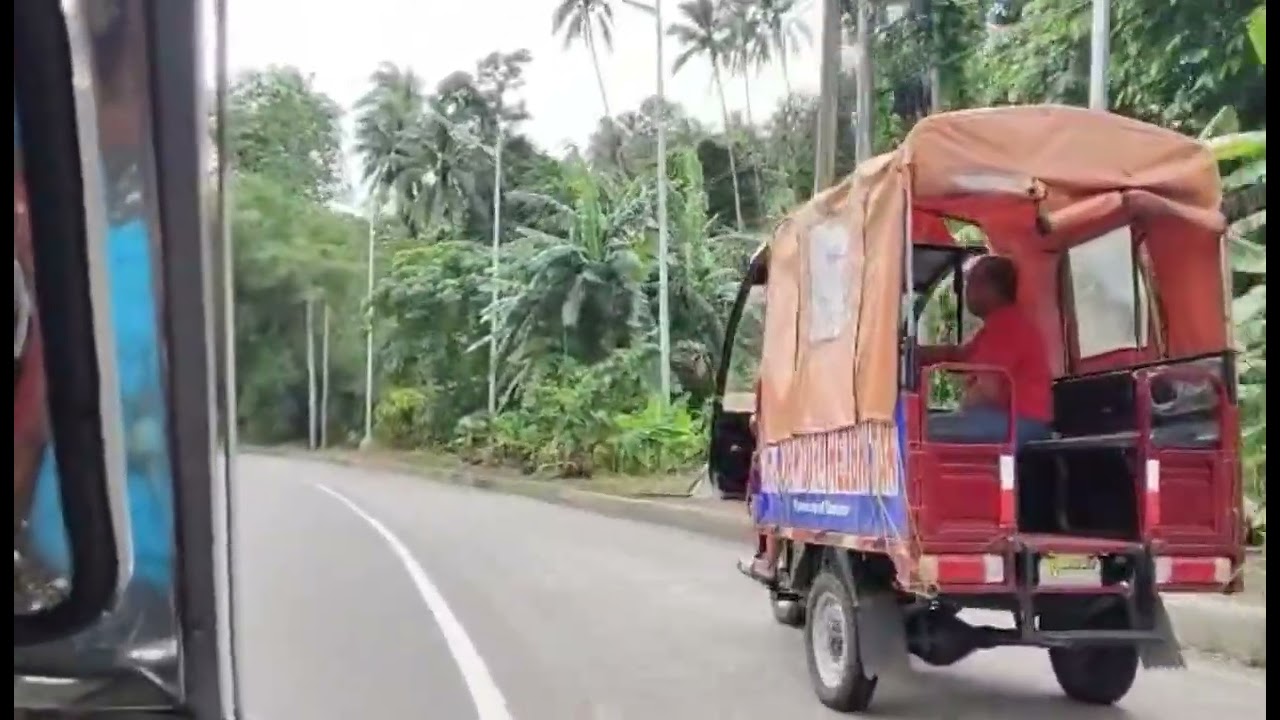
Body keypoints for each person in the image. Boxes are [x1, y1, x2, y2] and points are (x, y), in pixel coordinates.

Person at [921, 255, 1053, 447]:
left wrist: (961, 411)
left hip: (1021, 422)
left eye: (971, 283)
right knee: (930, 422)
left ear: (989, 287)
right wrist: (917, 354)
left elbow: (987, 391)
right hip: (1013, 420)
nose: (966, 291)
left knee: (922, 429)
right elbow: (959, 356)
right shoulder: (998, 326)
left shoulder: (1006, 327)